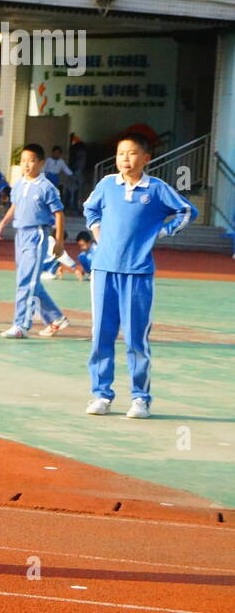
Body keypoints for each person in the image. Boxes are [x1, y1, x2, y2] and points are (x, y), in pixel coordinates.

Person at [82, 134, 195, 419]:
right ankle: (101, 394)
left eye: (132, 154)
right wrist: (97, 233)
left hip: (138, 273)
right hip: (104, 270)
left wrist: (163, 232)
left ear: (146, 158)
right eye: (121, 153)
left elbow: (186, 211)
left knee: (135, 338)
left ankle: (140, 398)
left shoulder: (156, 189)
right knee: (101, 336)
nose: (125, 159)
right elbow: (90, 208)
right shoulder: (107, 185)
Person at [0, 143, 70, 339]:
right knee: (29, 281)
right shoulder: (19, 184)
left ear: (41, 163)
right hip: (21, 234)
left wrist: (59, 242)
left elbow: (59, 214)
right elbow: (15, 206)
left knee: (26, 281)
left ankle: (21, 325)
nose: (27, 165)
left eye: (32, 160)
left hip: (37, 234)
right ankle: (56, 318)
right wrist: (3, 223)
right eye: (23, 161)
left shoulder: (46, 187)